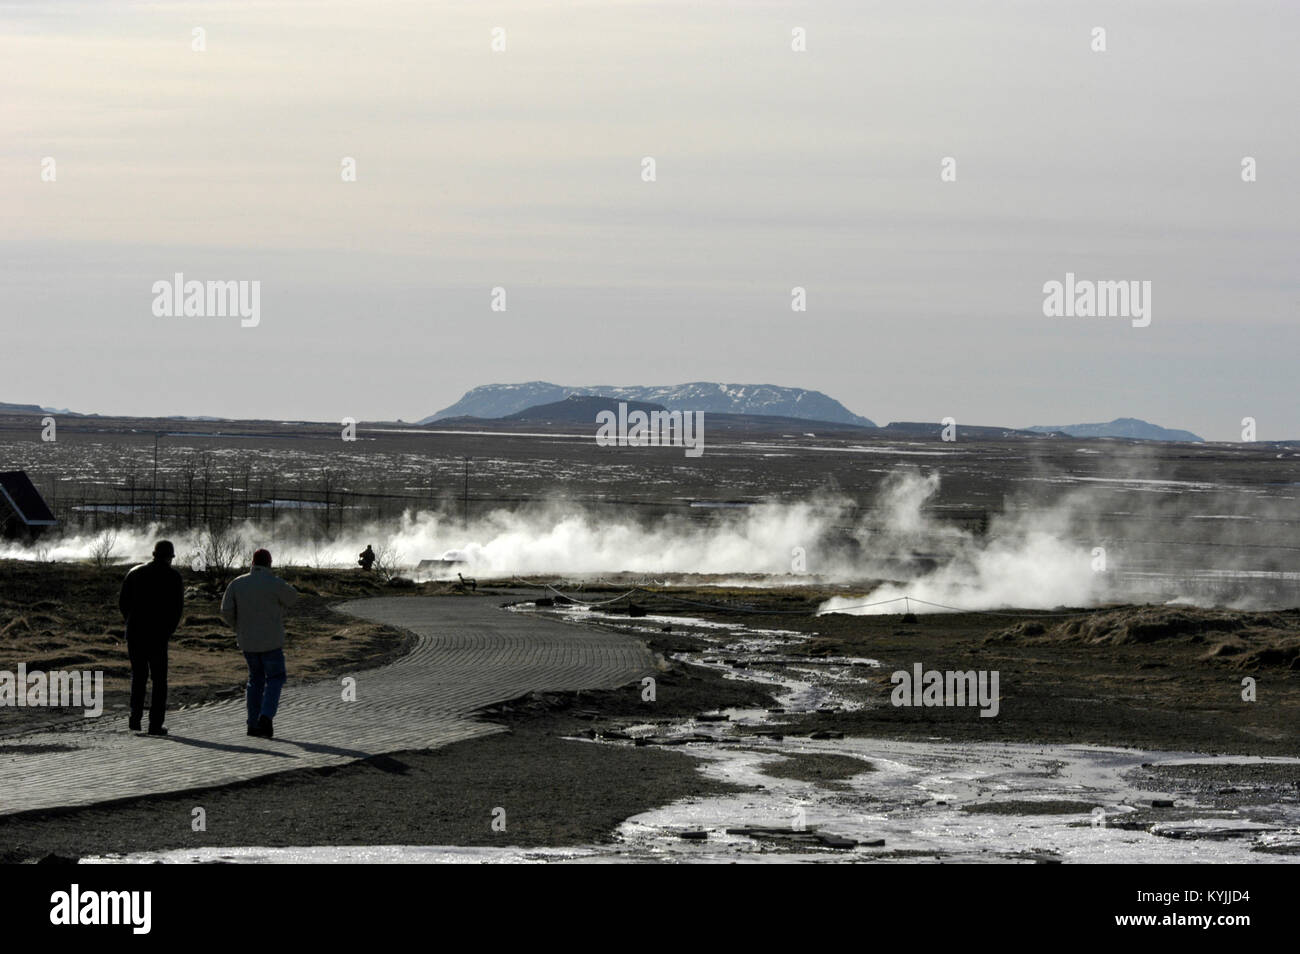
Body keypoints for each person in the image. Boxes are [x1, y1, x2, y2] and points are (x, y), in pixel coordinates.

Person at [220, 548, 298, 738]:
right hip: (271, 641)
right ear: (269, 563)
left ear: (252, 563)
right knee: (275, 678)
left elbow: (226, 610)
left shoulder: (237, 583)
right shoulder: (275, 583)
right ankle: (266, 716)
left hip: (248, 641)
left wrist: (237, 626)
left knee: (255, 681)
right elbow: (293, 598)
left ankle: (253, 723)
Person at [118, 540, 184, 736]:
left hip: (136, 633)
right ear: (169, 557)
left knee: (138, 676)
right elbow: (177, 609)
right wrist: (167, 630)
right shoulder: (173, 577)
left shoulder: (135, 572)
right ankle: (155, 724)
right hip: (158, 635)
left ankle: (134, 718)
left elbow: (123, 603)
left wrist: (131, 622)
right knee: (159, 680)